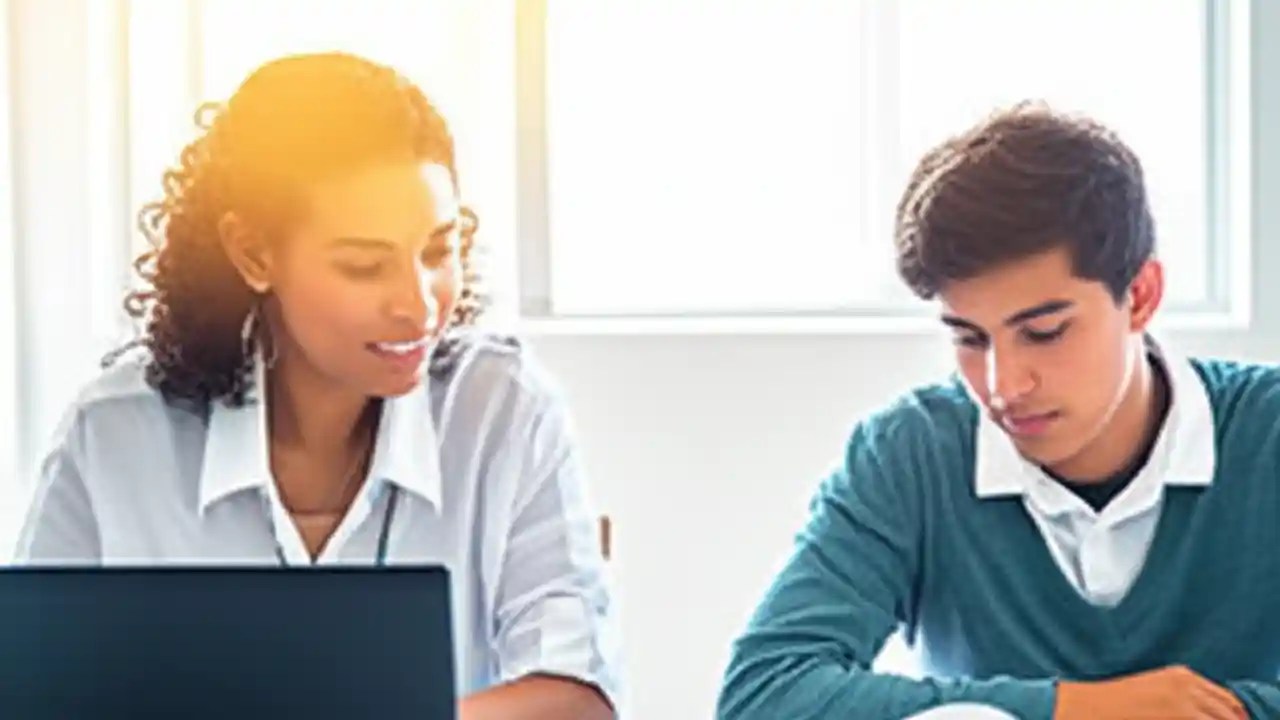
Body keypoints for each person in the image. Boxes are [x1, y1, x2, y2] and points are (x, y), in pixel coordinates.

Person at [16, 52, 621, 720]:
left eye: (437, 252)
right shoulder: (112, 437)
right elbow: (32, 694)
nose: (418, 307)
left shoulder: (502, 410)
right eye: (365, 266)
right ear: (252, 253)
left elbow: (575, 697)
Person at [717, 103, 1279, 719]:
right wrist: (1075, 709)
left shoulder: (1267, 433)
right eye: (969, 338)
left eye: (1044, 332)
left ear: (1140, 296)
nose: (1004, 384)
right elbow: (764, 696)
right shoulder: (912, 453)